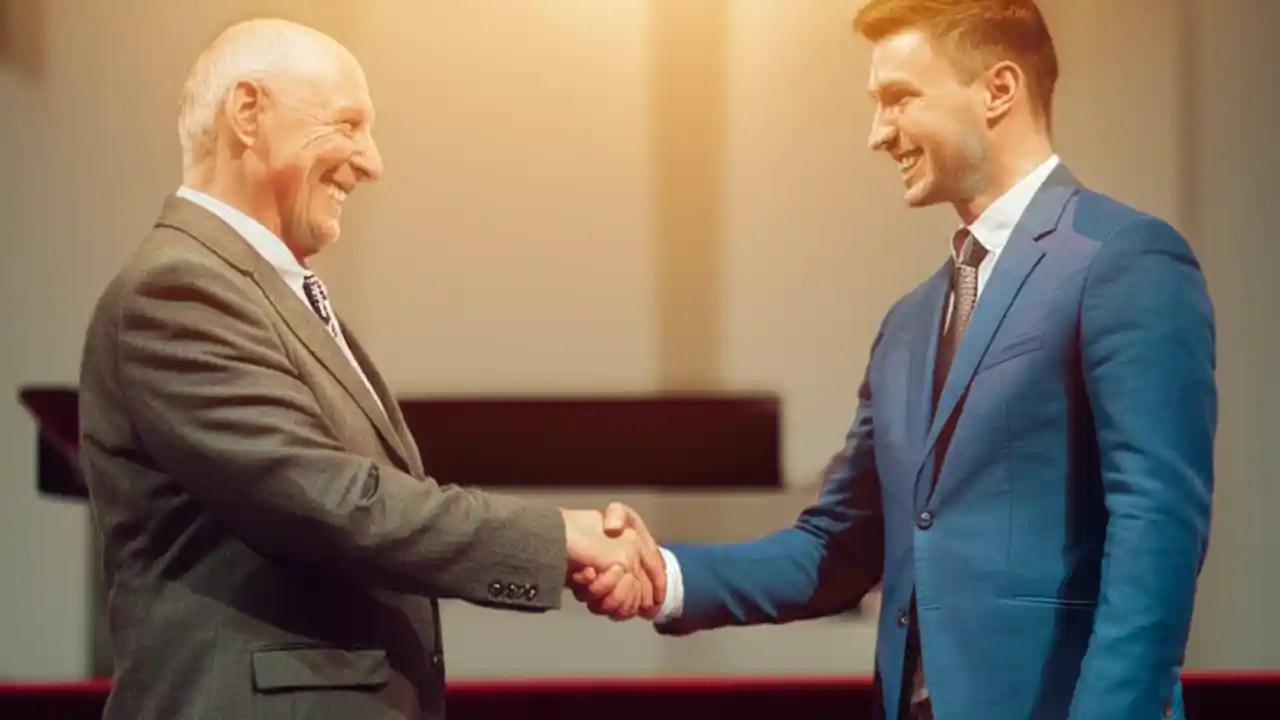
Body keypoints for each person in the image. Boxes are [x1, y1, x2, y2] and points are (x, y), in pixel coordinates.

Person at [577, 1, 1216, 718]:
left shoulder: (1125, 258)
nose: (878, 134)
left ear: (998, 89)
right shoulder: (909, 325)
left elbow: (1155, 528)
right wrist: (662, 574)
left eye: (898, 100)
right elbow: (840, 547)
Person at [78, 18, 663, 720]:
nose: (372, 161)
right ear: (247, 112)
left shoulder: (253, 288)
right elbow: (329, 502)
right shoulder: (178, 289)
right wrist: (558, 539)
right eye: (348, 124)